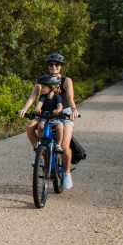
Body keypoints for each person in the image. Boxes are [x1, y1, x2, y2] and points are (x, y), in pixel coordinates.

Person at [18, 52, 79, 190]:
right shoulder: (42, 79)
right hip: (45, 112)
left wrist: (74, 109)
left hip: (64, 113)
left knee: (64, 146)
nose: (53, 67)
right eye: (51, 64)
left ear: (60, 67)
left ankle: (67, 173)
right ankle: (40, 151)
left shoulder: (66, 81)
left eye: (57, 64)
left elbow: (69, 98)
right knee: (30, 127)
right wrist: (25, 109)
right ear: (48, 66)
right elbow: (33, 96)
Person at [33, 75, 65, 152]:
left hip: (54, 117)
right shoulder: (43, 96)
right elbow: (40, 104)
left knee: (60, 126)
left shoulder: (57, 97)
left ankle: (58, 145)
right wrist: (37, 108)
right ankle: (40, 141)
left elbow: (60, 106)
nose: (42, 89)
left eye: (44, 87)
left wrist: (58, 110)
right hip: (45, 116)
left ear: (52, 88)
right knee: (40, 126)